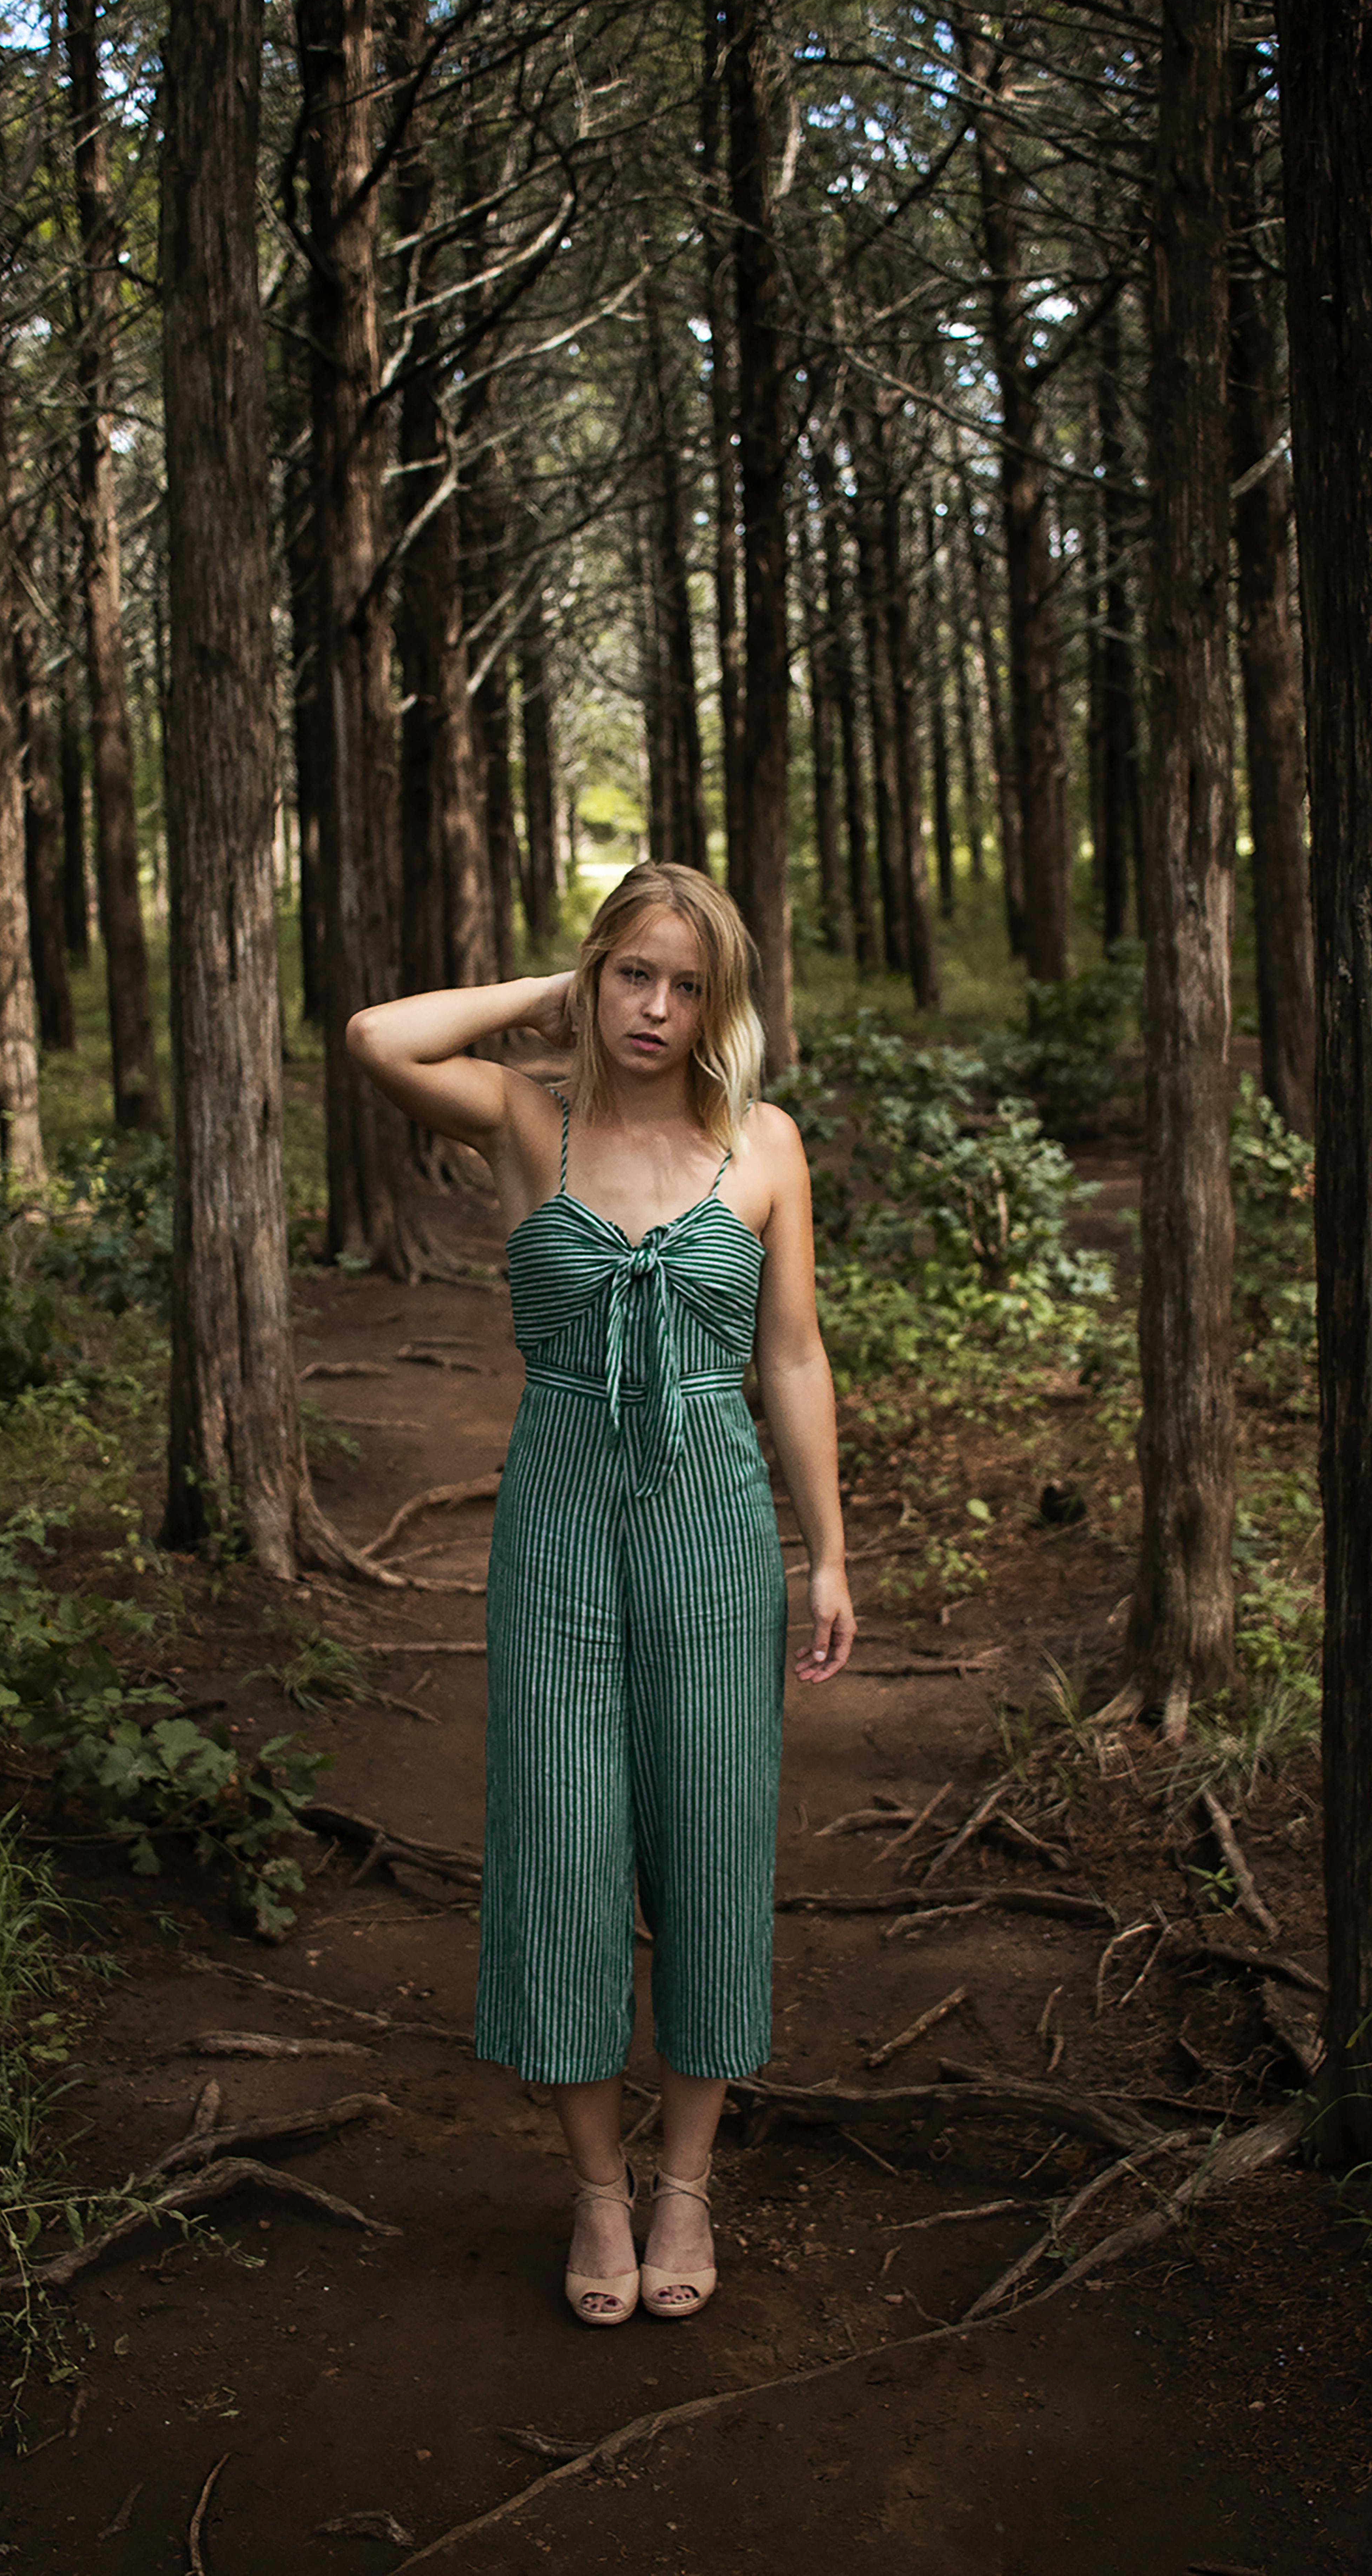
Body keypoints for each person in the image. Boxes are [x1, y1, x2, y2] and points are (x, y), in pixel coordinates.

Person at [347, 862, 854, 2326]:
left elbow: (791, 1356)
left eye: (688, 984)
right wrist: (547, 995)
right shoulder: (527, 1118)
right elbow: (378, 1036)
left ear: (721, 1002)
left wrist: (826, 1551)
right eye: (633, 972)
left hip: (714, 1527)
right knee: (562, 1847)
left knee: (710, 1840)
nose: (655, 1007)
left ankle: (684, 2179)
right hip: (558, 1524)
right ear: (596, 975)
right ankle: (596, 2188)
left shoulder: (761, 1143)